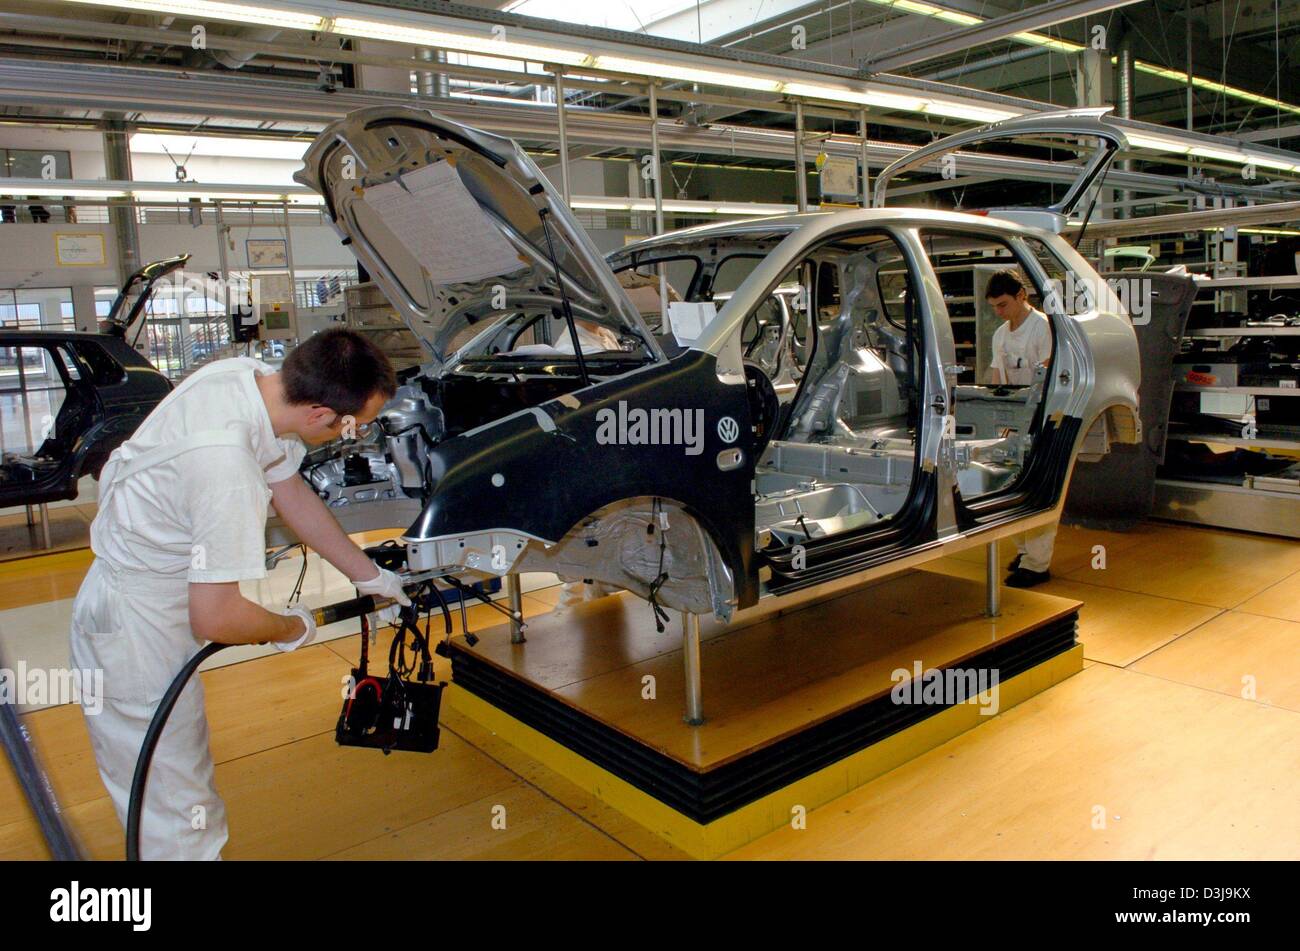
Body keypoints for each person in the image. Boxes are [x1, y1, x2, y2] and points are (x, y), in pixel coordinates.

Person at [69, 328, 410, 859]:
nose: (354, 436)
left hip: (148, 596)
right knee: (174, 803)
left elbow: (290, 490)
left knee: (178, 771)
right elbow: (217, 617)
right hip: (136, 625)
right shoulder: (225, 469)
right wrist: (293, 628)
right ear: (320, 414)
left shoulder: (240, 378)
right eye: (355, 426)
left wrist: (368, 574)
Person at [984, 269, 1055, 589]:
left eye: (1003, 305)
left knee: (1039, 487)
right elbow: (997, 376)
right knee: (1012, 484)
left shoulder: (1043, 328)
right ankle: (1025, 553)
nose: (999, 312)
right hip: (1013, 418)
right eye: (994, 307)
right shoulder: (1000, 334)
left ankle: (1038, 565)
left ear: (1021, 296)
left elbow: (1048, 376)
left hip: (1041, 416)